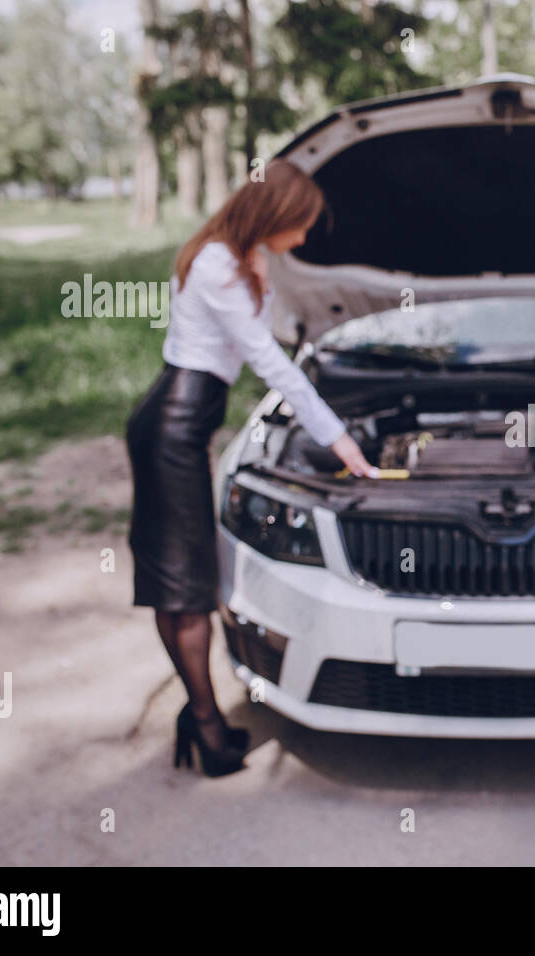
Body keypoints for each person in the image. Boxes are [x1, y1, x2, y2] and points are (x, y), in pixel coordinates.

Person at [125, 159, 380, 777]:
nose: (305, 238)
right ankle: (207, 725)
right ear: (278, 214)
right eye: (302, 225)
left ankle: (199, 712)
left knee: (185, 580)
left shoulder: (233, 255)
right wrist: (340, 441)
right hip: (172, 428)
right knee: (185, 587)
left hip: (183, 425)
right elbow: (271, 363)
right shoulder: (218, 263)